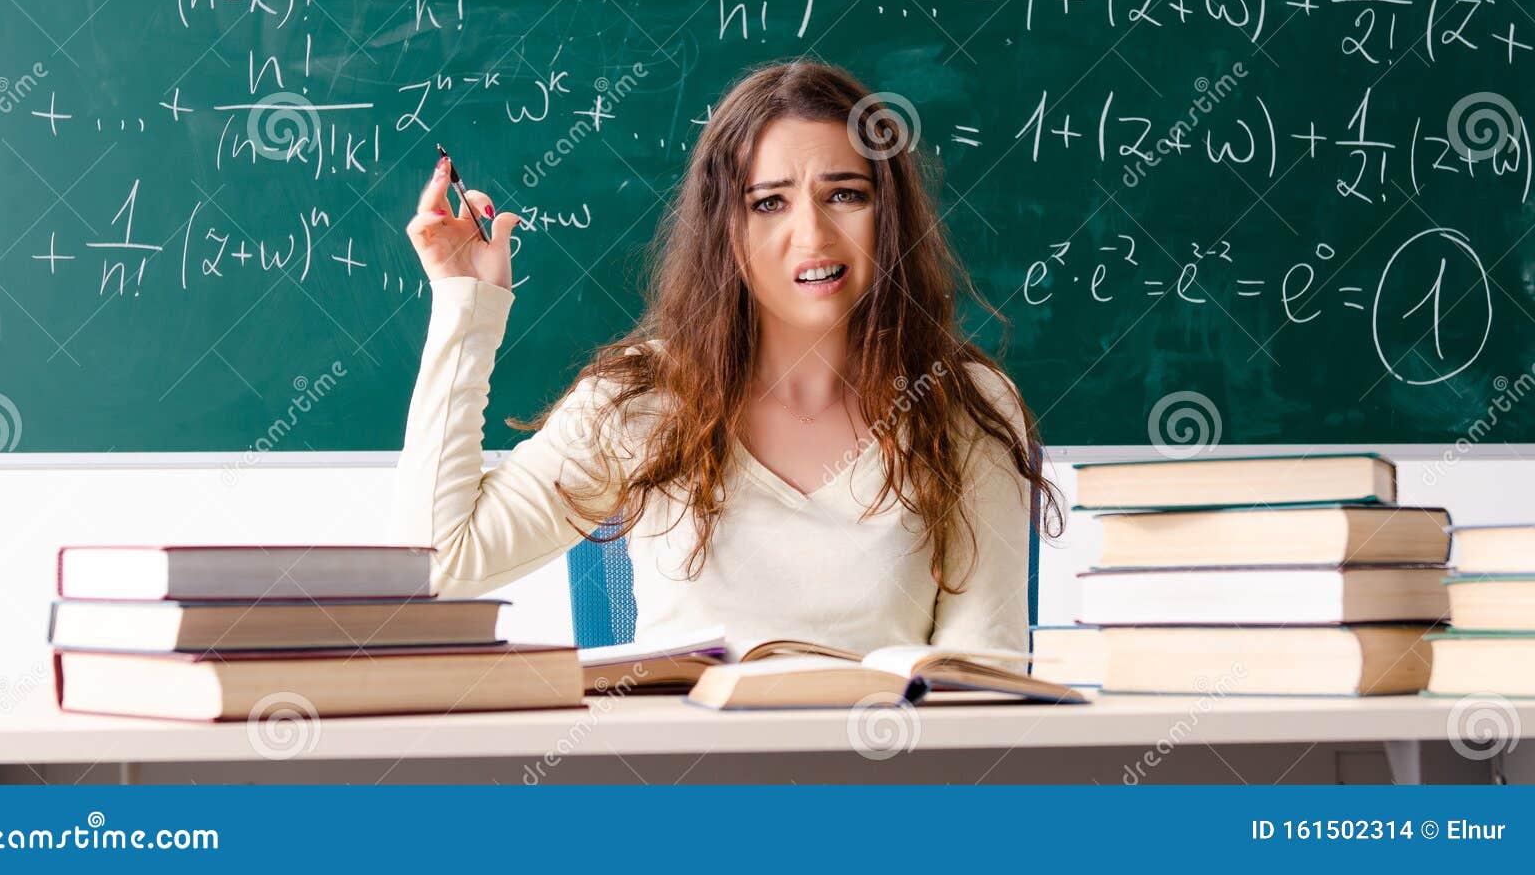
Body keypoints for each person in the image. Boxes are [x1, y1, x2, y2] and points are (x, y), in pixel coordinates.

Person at [395, 60, 1063, 656]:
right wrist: (466, 304)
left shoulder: (959, 399)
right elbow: (437, 563)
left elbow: (984, 673)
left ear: (887, 215)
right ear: (727, 232)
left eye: (846, 195)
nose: (813, 234)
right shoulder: (642, 398)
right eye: (768, 203)